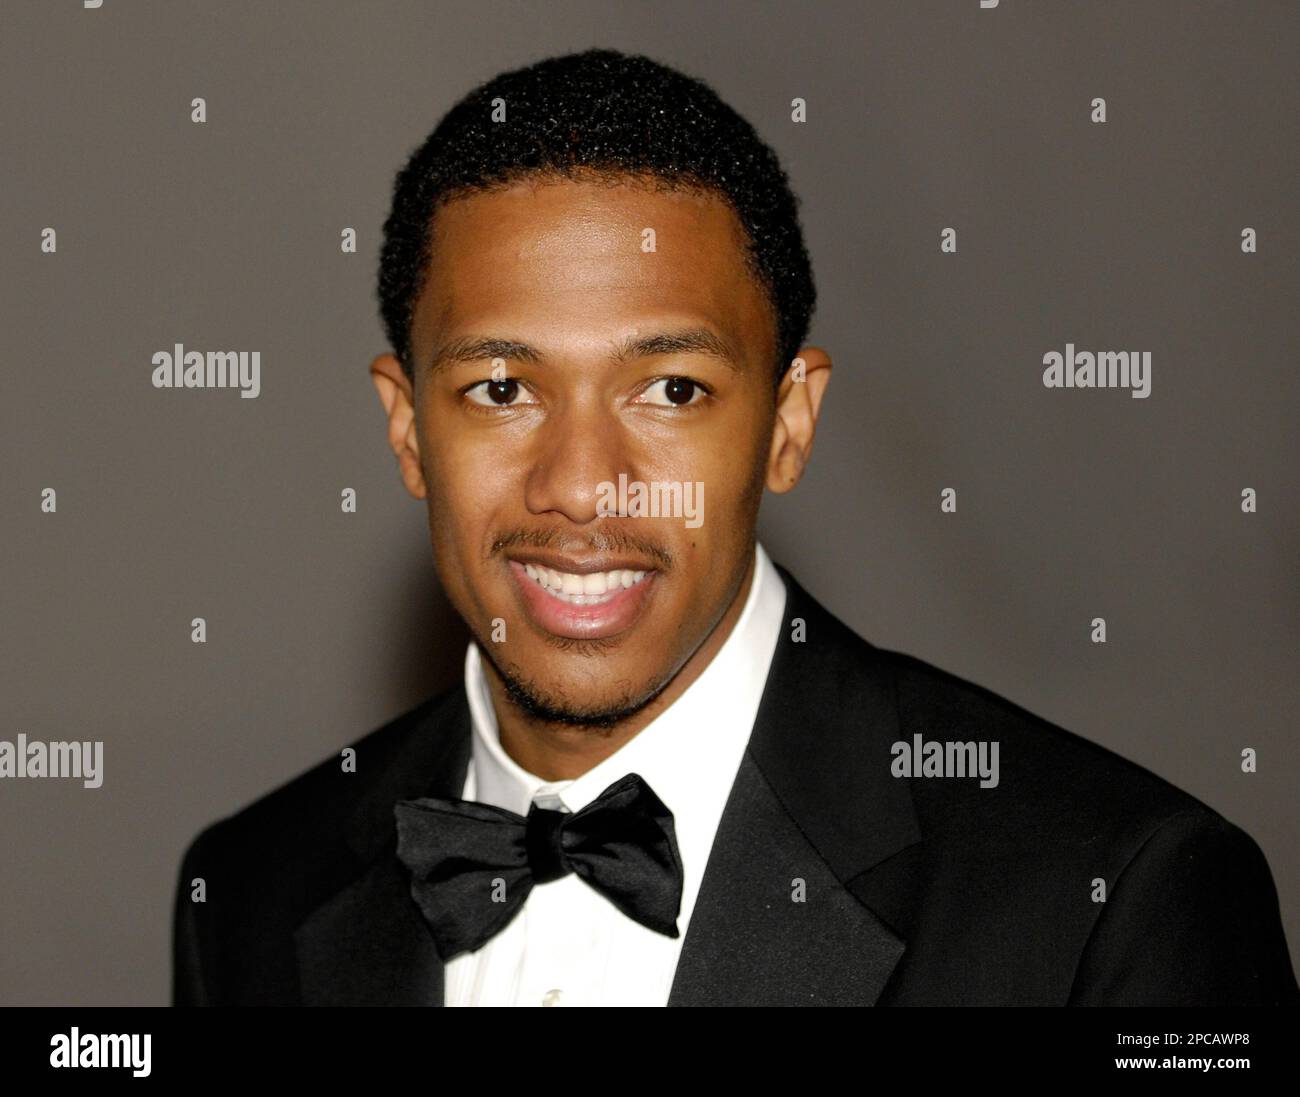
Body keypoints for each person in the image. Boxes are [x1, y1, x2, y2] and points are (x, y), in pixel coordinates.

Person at [172, 48, 1296, 1006]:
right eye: (503, 389)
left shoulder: (1114, 901)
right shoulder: (253, 888)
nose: (583, 486)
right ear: (408, 427)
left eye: (669, 390)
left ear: (787, 423)